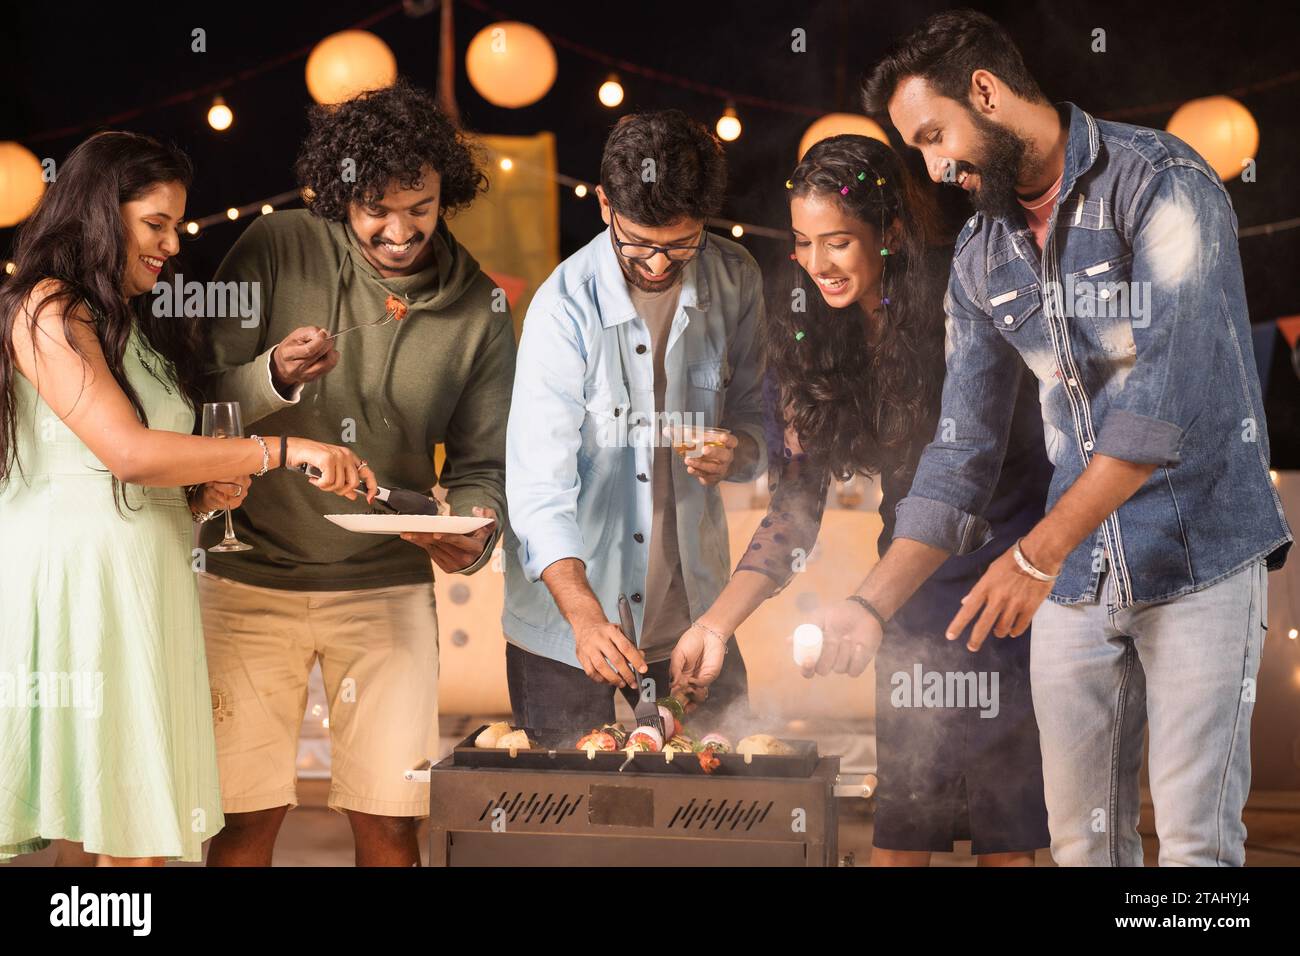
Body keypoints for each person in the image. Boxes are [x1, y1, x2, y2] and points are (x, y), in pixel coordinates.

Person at [814, 9, 1291, 866]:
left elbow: (1161, 406)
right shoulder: (981, 258)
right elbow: (959, 457)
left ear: (988, 94)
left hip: (1200, 560)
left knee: (1194, 845)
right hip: (1076, 580)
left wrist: (1033, 555)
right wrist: (868, 607)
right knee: (1080, 846)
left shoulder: (1162, 184)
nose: (933, 165)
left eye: (935, 134)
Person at [670, 134, 1051, 865]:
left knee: (1008, 834)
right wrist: (716, 627)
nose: (817, 264)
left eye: (838, 241)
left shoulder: (958, 302)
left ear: (892, 232)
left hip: (1009, 578)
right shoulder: (813, 330)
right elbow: (794, 508)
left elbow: (979, 469)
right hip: (902, 592)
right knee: (903, 824)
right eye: (805, 242)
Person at [0, 131, 371, 866]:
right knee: (128, 818)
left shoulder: (129, 326)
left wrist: (201, 493)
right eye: (155, 224)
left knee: (126, 816)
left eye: (176, 225)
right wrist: (284, 452)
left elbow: (148, 463)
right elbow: (129, 454)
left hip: (145, 577)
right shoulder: (48, 307)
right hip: (84, 586)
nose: (172, 243)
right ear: (103, 213)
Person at [200, 80, 514, 866]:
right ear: (340, 194)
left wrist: (471, 531)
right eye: (376, 206)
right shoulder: (276, 248)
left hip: (384, 587)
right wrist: (273, 373)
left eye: (421, 206)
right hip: (246, 578)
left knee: (388, 822)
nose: (399, 230)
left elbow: (483, 463)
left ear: (447, 195)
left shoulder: (480, 308)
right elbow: (198, 403)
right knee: (243, 821)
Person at [503, 110, 765, 738]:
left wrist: (739, 453)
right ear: (603, 207)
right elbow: (538, 490)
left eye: (679, 245)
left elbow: (759, 421)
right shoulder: (562, 307)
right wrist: (585, 615)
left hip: (693, 615)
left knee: (726, 806)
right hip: (568, 628)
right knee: (566, 818)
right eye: (639, 243)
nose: (655, 264)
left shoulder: (736, 279)